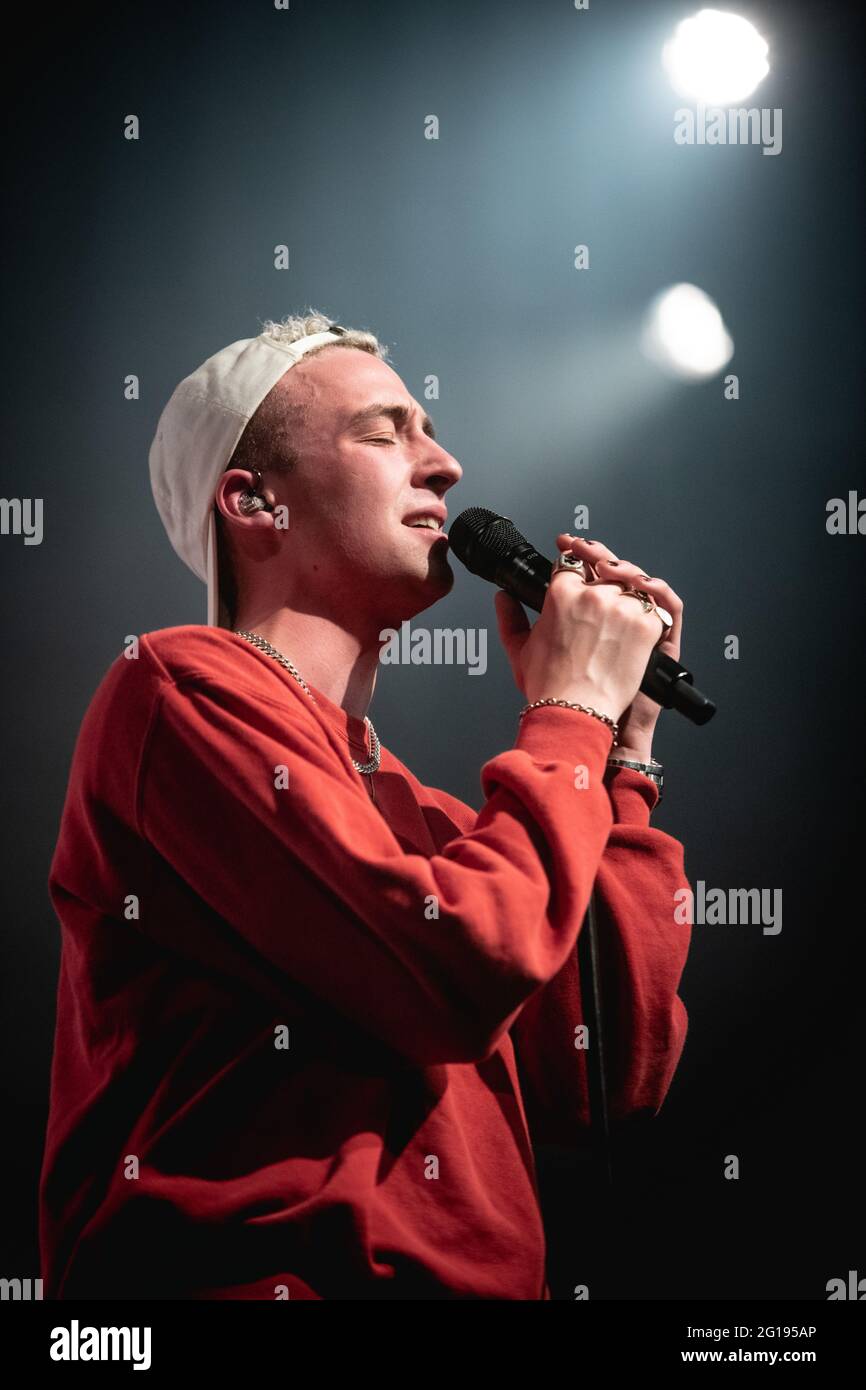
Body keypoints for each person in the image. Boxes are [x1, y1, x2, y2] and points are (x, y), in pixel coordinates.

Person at [39, 310, 692, 1300]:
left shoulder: (435, 824)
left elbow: (599, 1077)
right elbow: (456, 967)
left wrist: (619, 756)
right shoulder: (176, 689)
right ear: (255, 500)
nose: (446, 466)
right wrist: (564, 714)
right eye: (385, 432)